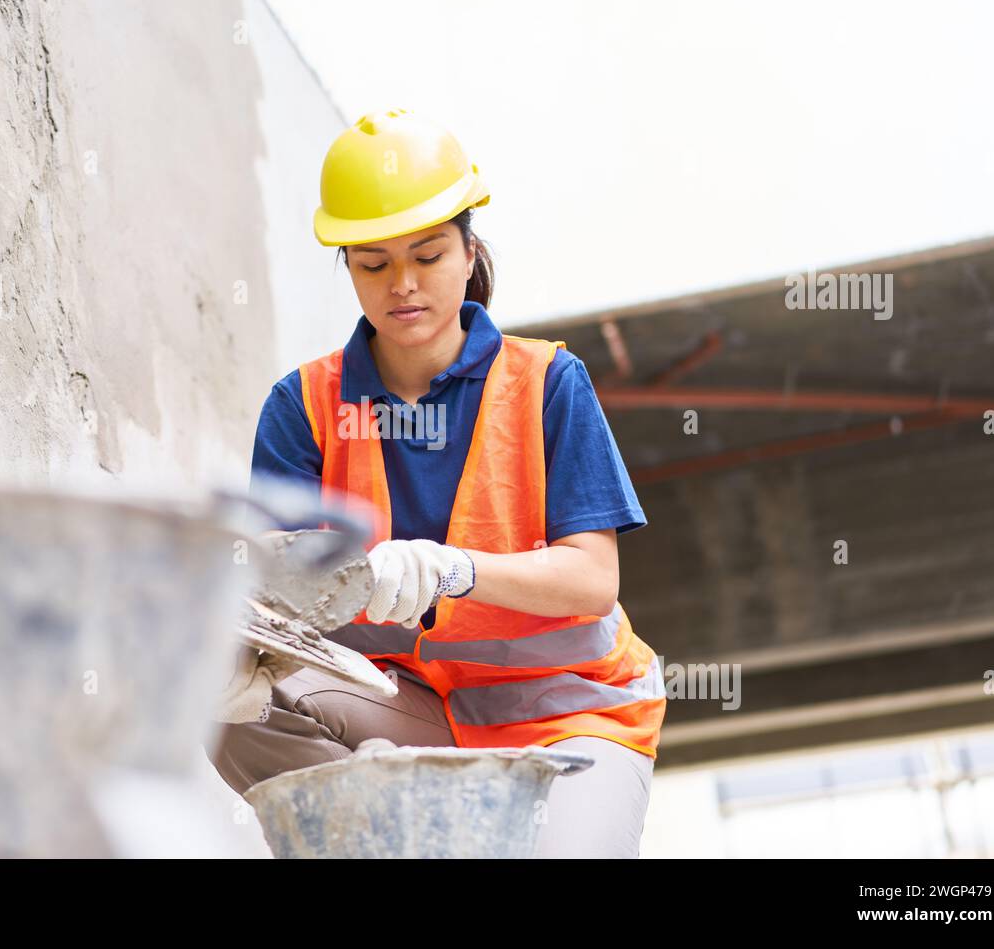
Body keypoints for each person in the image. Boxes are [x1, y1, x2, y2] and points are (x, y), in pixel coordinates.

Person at [210, 108, 666, 857]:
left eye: (427, 255)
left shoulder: (547, 381)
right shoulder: (305, 407)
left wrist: (451, 569)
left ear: (469, 250)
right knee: (229, 706)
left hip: (572, 709)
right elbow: (267, 593)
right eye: (374, 263)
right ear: (349, 267)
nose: (404, 284)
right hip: (407, 708)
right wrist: (234, 648)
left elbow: (592, 581)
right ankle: (388, 817)